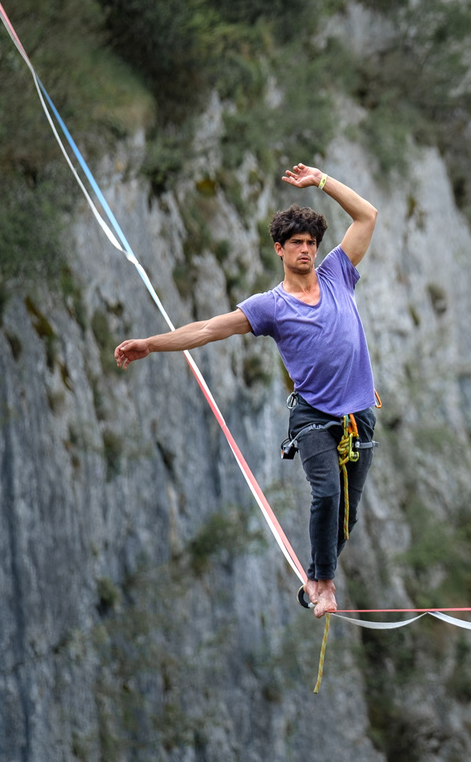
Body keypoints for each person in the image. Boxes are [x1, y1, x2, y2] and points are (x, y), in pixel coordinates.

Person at [114, 164, 380, 618]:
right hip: (313, 414)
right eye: (296, 244)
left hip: (358, 416)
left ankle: (315, 579)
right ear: (279, 249)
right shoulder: (269, 306)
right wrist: (151, 344)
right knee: (327, 494)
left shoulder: (338, 273)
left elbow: (367, 216)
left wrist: (321, 181)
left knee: (347, 518)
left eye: (311, 243)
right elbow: (207, 329)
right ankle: (325, 586)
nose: (306, 251)